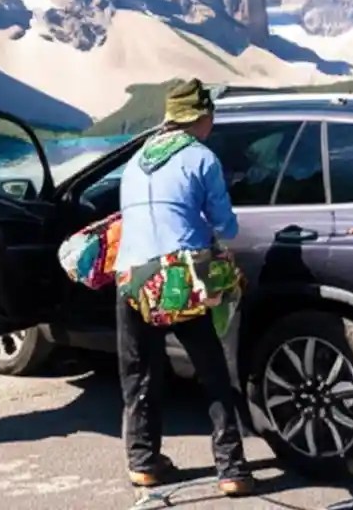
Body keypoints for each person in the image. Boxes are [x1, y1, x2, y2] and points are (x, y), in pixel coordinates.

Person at [113, 79, 256, 497]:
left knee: (139, 372)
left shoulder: (137, 159)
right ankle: (231, 469)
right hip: (181, 279)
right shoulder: (202, 158)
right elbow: (226, 225)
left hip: (131, 277)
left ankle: (143, 464)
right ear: (203, 118)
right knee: (212, 370)